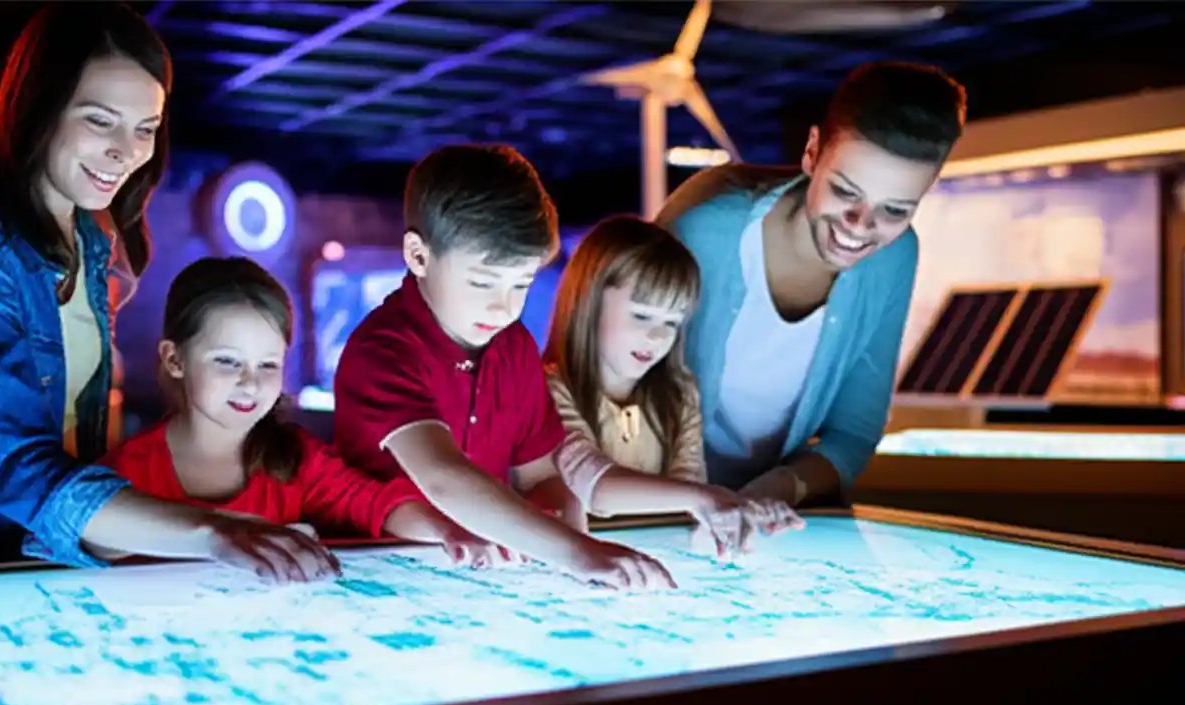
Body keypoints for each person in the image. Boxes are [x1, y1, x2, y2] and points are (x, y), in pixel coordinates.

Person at [0, 3, 335, 583]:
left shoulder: (90, 234)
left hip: (30, 559)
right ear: (39, 109)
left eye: (146, 130)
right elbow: (16, 466)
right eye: (99, 121)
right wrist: (212, 530)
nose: (126, 152)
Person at [333, 144, 676, 590]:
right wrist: (578, 554)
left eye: (522, 283)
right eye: (482, 282)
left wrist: (572, 540)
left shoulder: (513, 345)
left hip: (487, 578)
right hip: (380, 576)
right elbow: (444, 478)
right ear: (419, 256)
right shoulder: (382, 351)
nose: (504, 306)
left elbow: (545, 476)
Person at [656, 60, 967, 508]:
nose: (860, 227)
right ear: (812, 152)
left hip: (771, 518)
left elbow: (854, 433)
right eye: (845, 192)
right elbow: (600, 380)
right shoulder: (705, 226)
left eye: (895, 210)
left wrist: (783, 488)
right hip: (653, 500)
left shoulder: (895, 257)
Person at [101, 258, 441, 554]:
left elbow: (380, 505)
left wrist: (448, 533)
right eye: (227, 362)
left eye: (267, 365)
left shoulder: (298, 459)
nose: (250, 383)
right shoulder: (124, 474)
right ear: (174, 359)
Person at [543, 215, 804, 556]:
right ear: (588, 302)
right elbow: (594, 486)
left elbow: (688, 497)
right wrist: (710, 499)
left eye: (672, 321)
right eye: (641, 315)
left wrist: (738, 513)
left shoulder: (679, 393)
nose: (658, 336)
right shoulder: (546, 390)